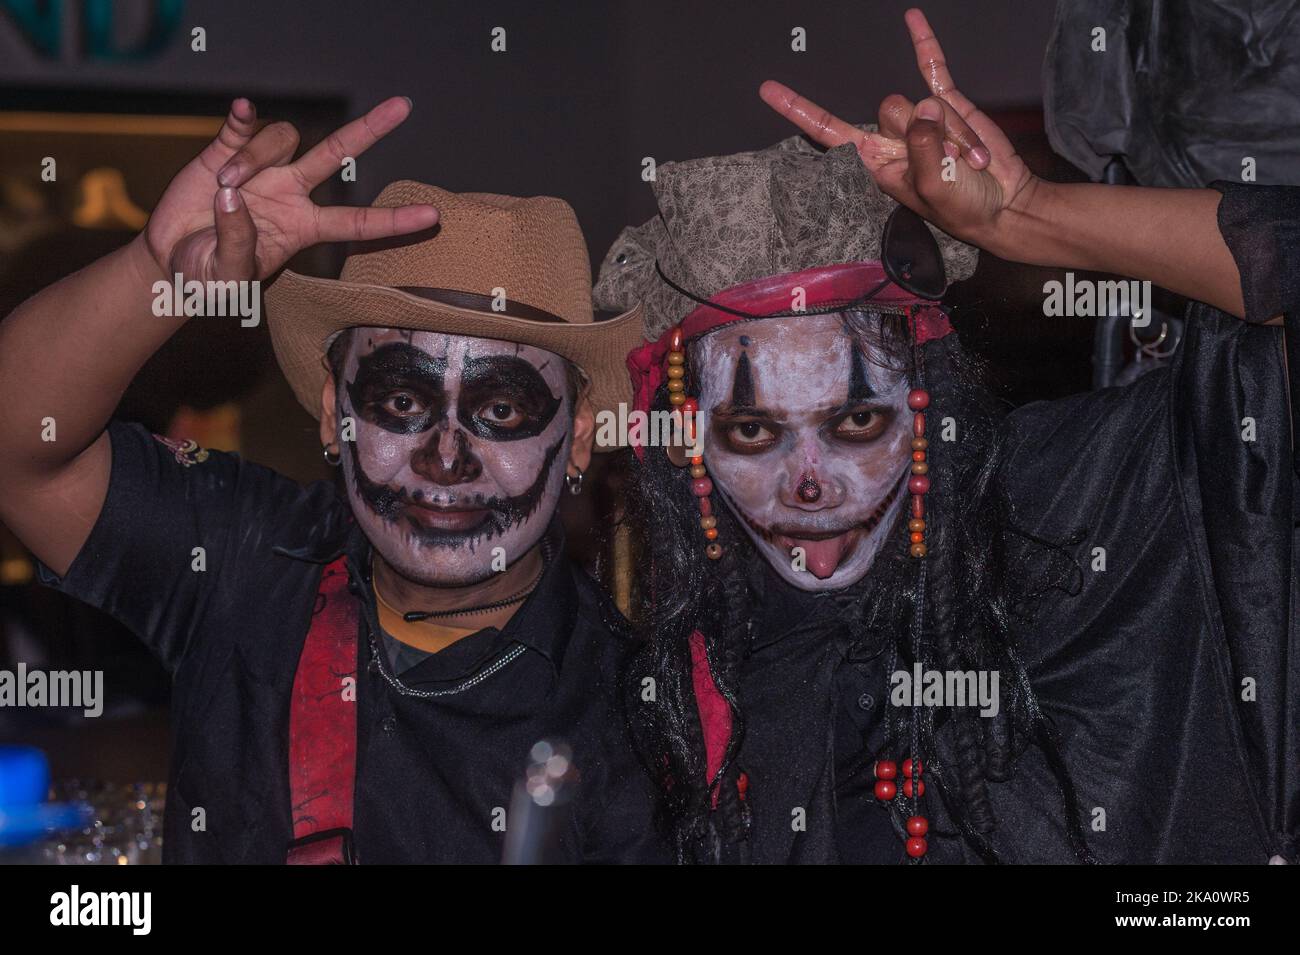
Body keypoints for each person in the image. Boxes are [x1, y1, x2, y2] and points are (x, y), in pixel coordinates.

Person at [596, 8, 1298, 864]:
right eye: (751, 429)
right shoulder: (655, 689)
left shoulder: (1070, 515)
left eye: (857, 419)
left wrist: (1028, 218)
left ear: (927, 400)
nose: (810, 482)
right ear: (684, 441)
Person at [0, 96, 664, 863]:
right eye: (402, 399)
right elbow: (21, 441)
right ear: (331, 414)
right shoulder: (246, 559)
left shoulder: (647, 709)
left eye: (503, 407)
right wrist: (158, 274)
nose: (443, 458)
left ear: (577, 436)